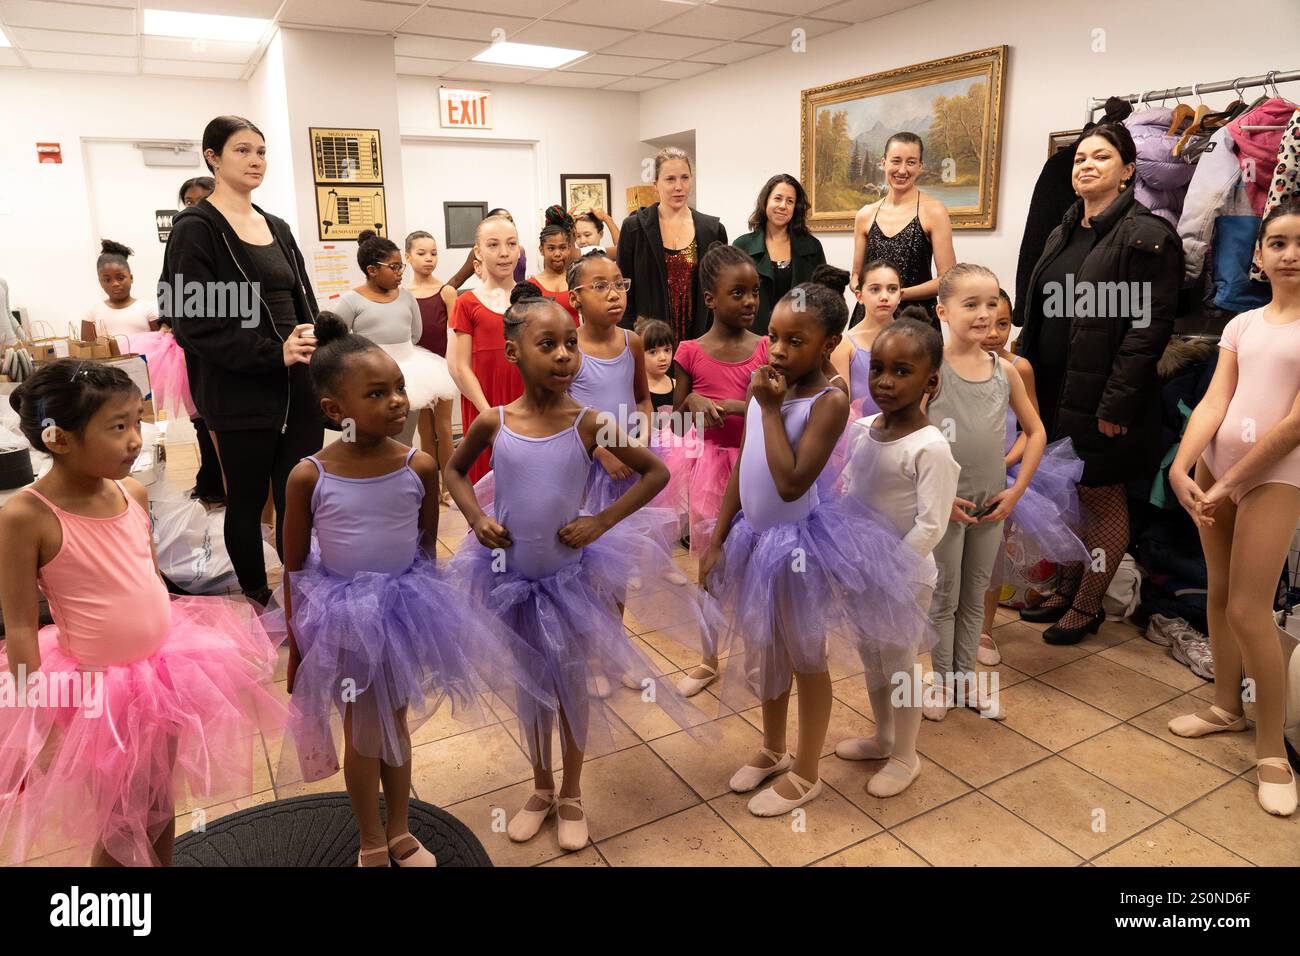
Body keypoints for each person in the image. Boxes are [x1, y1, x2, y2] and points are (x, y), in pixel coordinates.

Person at [278, 315, 552, 865]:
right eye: (377, 394)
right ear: (336, 412)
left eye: (399, 387)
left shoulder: (421, 465)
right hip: (343, 618)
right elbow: (293, 566)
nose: (399, 402)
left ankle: (400, 828)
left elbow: (426, 552)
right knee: (362, 728)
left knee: (395, 722)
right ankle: (369, 838)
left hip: (406, 613)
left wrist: (431, 624)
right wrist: (297, 642)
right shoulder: (309, 475)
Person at [446, 288, 713, 852]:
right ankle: (539, 788)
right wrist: (476, 518)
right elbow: (454, 472)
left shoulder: (589, 424)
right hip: (509, 580)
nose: (566, 355)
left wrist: (600, 522)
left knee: (570, 687)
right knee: (529, 688)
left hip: (569, 582)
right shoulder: (494, 423)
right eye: (549, 344)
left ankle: (570, 793)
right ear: (515, 354)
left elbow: (654, 474)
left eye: (571, 343)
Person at [0, 361, 286, 866]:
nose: (135, 439)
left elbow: (149, 576)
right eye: (118, 427)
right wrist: (35, 716)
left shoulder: (130, 492)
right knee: (118, 819)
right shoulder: (26, 515)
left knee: (158, 802)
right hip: (94, 691)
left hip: (160, 673)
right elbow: (21, 624)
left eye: (137, 421)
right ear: (60, 439)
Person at [701, 269, 929, 815]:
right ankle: (773, 748)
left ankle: (807, 772)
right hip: (753, 537)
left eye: (794, 341)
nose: (777, 351)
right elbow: (745, 467)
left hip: (798, 546)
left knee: (806, 656)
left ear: (830, 344)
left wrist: (771, 407)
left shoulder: (827, 398)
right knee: (767, 648)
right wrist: (717, 535)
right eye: (773, 337)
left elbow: (790, 480)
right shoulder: (769, 386)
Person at [1016, 122, 1182, 644]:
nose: (1086, 165)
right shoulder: (1062, 230)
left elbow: (1146, 332)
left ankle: (1088, 604)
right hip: (1053, 391)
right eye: (1080, 158)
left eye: (1102, 157)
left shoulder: (1148, 238)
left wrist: (1117, 404)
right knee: (1066, 493)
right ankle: (1065, 587)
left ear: (1128, 171)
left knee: (1101, 497)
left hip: (1106, 399)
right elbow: (1038, 314)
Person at [1167, 200, 1300, 818]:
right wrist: (1180, 463)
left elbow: (1295, 425)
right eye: (1278, 243)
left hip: (1274, 478)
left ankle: (1271, 750)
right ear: (1258, 254)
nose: (1290, 254)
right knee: (1219, 594)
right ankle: (1226, 705)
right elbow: (1217, 400)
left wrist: (1230, 483)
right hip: (1213, 468)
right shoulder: (1242, 326)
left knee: (1251, 607)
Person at [162, 115, 322, 607]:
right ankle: (258, 597)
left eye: (261, 151)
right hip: (239, 389)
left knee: (297, 492)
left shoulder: (276, 226)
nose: (256, 161)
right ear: (212, 157)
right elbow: (192, 323)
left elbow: (304, 302)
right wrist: (270, 352)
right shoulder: (197, 228)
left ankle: (302, 589)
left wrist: (320, 348)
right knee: (248, 498)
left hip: (297, 383)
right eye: (242, 151)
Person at [836, 317, 958, 796]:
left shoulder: (930, 447)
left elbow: (932, 523)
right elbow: (849, 486)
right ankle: (883, 736)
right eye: (879, 369)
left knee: (900, 662)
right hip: (861, 569)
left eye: (902, 371)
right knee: (871, 658)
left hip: (904, 577)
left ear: (931, 380)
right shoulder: (864, 429)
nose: (885, 381)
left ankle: (907, 756)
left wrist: (889, 571)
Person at [924, 264, 1046, 722]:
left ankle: (965, 680)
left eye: (991, 303)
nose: (983, 313)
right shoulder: (931, 371)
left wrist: (1015, 493)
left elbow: (1035, 433)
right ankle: (938, 681)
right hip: (945, 505)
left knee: (976, 592)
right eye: (970, 304)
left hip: (992, 502)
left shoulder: (1005, 372)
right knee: (945, 594)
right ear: (942, 310)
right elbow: (908, 439)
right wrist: (935, 500)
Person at [670, 244, 768, 696]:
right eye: (737, 293)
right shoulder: (690, 351)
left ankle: (756, 653)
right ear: (710, 299)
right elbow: (676, 420)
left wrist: (733, 405)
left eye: (754, 292)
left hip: (756, 468)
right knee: (710, 565)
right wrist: (690, 401)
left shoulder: (767, 348)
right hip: (711, 468)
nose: (750, 301)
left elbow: (774, 409)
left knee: (754, 565)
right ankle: (709, 658)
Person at [979, 289, 1087, 665]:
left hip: (1004, 475)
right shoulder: (951, 366)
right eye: (986, 322)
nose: (993, 332)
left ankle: (984, 630)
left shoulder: (1018, 367)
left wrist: (1005, 461)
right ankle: (950, 622)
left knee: (990, 556)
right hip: (960, 474)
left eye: (1004, 324)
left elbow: (1030, 428)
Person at [328, 230, 455, 448]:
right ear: (373, 270)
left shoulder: (406, 297)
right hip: (366, 377)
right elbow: (335, 341)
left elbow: (415, 334)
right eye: (394, 267)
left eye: (400, 267)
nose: (400, 273)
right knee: (365, 438)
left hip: (407, 374)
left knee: (402, 439)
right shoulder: (351, 301)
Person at [848, 132, 956, 329]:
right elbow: (856, 275)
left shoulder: (934, 211)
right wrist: (865, 292)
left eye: (911, 162)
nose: (902, 170)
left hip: (917, 321)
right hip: (869, 318)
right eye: (896, 161)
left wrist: (897, 294)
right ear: (884, 162)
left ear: (921, 166)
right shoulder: (865, 214)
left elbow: (947, 280)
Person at [618, 147, 727, 341]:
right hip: (650, 341)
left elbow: (720, 290)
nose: (679, 186)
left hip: (700, 339)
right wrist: (628, 338)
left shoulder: (713, 230)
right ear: (655, 184)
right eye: (670, 179)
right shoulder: (634, 229)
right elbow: (622, 288)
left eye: (685, 178)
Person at [447, 213, 521, 483]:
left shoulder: (531, 298)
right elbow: (460, 365)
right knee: (486, 484)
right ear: (478, 251)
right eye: (493, 245)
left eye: (511, 244)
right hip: (484, 404)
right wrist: (488, 412)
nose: (504, 253)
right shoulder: (467, 303)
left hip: (526, 402)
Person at [174, 176, 224, 504]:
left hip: (235, 356)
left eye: (202, 199)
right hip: (201, 356)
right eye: (189, 202)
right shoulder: (183, 242)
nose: (196, 207)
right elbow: (178, 309)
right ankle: (212, 482)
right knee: (204, 426)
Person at [732, 174, 826, 335]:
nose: (783, 206)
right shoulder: (742, 246)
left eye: (790, 201)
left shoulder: (812, 247)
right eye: (778, 198)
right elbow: (733, 298)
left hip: (799, 337)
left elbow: (822, 298)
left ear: (795, 207)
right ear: (766, 201)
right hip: (752, 339)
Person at [404, 229, 460, 496]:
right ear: (407, 257)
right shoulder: (403, 293)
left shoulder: (446, 291)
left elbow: (455, 332)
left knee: (444, 428)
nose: (429, 259)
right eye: (422, 253)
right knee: (425, 429)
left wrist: (454, 364)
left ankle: (450, 486)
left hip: (443, 365)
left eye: (434, 253)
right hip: (417, 367)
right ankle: (431, 487)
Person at [829, 258, 904, 417]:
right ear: (859, 296)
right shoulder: (845, 344)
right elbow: (842, 402)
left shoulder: (912, 340)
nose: (884, 296)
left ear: (900, 295)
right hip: (859, 434)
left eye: (892, 289)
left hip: (905, 433)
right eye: (875, 289)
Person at [445, 207, 528, 289]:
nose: (508, 223)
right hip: (493, 298)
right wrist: (439, 297)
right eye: (502, 220)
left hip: (520, 298)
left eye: (510, 220)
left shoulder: (520, 249)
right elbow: (458, 279)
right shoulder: (480, 252)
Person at [527, 206, 581, 325]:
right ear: (541, 250)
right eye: (551, 248)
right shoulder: (531, 286)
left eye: (562, 248)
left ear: (569, 248)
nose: (557, 253)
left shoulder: (579, 281)